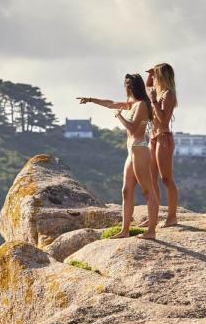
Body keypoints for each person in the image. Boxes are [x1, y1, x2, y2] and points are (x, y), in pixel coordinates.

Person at [77, 74, 159, 239]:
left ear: (130, 86)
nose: (124, 88)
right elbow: (111, 104)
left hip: (140, 149)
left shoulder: (142, 105)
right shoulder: (133, 104)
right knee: (126, 191)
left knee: (147, 191)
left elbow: (134, 128)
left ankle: (151, 231)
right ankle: (125, 230)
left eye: (125, 85)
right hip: (132, 151)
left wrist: (119, 117)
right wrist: (91, 99)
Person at [145, 62, 180, 227]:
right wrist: (149, 74)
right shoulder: (158, 93)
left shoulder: (168, 94)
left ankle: (172, 217)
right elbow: (147, 87)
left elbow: (163, 119)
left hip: (163, 138)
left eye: (155, 75)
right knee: (151, 179)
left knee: (166, 179)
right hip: (153, 138)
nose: (153, 78)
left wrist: (153, 102)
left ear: (162, 76)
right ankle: (153, 217)